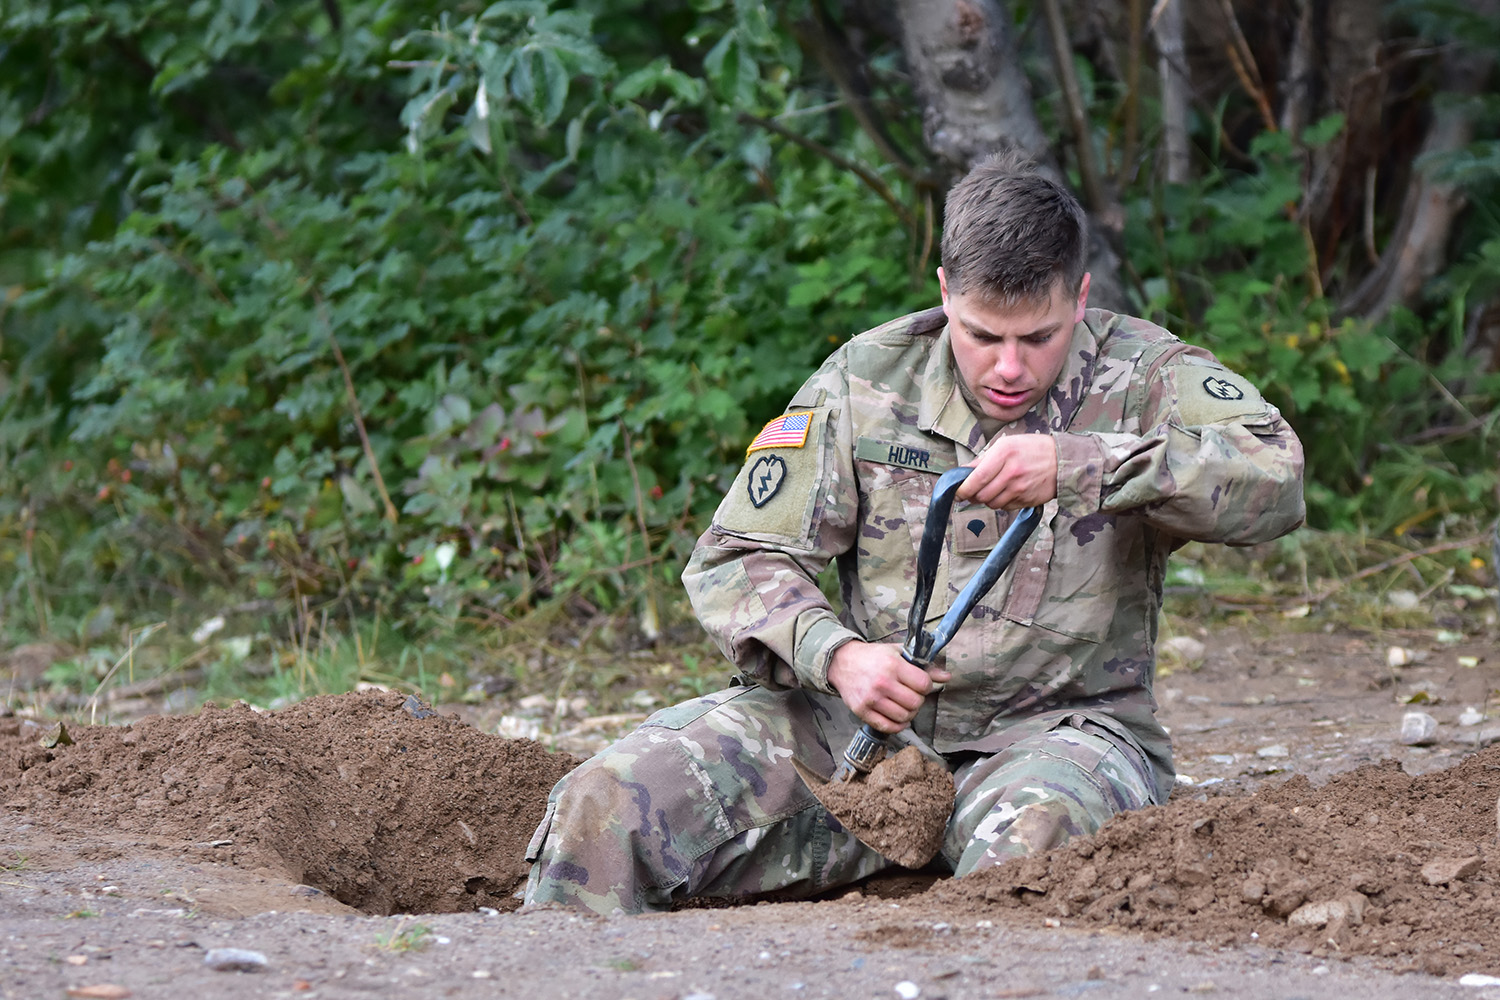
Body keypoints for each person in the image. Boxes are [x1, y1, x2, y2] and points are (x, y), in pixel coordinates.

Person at [523, 152, 1305, 915]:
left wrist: (1087, 465)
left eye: (1038, 338)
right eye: (979, 335)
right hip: (864, 733)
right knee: (604, 806)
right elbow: (736, 558)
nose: (1008, 367)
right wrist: (840, 655)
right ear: (943, 292)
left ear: (1082, 297)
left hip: (1061, 733)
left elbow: (1276, 481)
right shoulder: (866, 380)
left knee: (1032, 862)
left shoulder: (1144, 375)